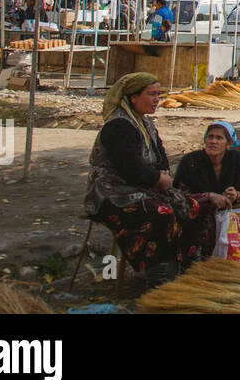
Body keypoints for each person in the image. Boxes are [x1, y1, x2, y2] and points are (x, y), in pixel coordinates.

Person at [84, 72, 204, 287]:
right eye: (151, 94)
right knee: (161, 214)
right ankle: (157, 275)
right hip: (112, 193)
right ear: (133, 97)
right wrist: (158, 178)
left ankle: (187, 265)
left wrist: (162, 175)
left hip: (143, 188)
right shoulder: (119, 126)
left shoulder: (145, 124)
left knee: (191, 206)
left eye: (158, 94)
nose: (157, 99)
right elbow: (130, 169)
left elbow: (160, 158)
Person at [173, 121, 240, 256]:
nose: (213, 141)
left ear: (229, 143)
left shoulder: (237, 160)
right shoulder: (190, 161)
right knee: (197, 209)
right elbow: (178, 195)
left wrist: (237, 195)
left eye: (219, 138)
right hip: (200, 209)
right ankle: (196, 255)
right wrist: (208, 196)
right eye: (210, 137)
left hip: (228, 210)